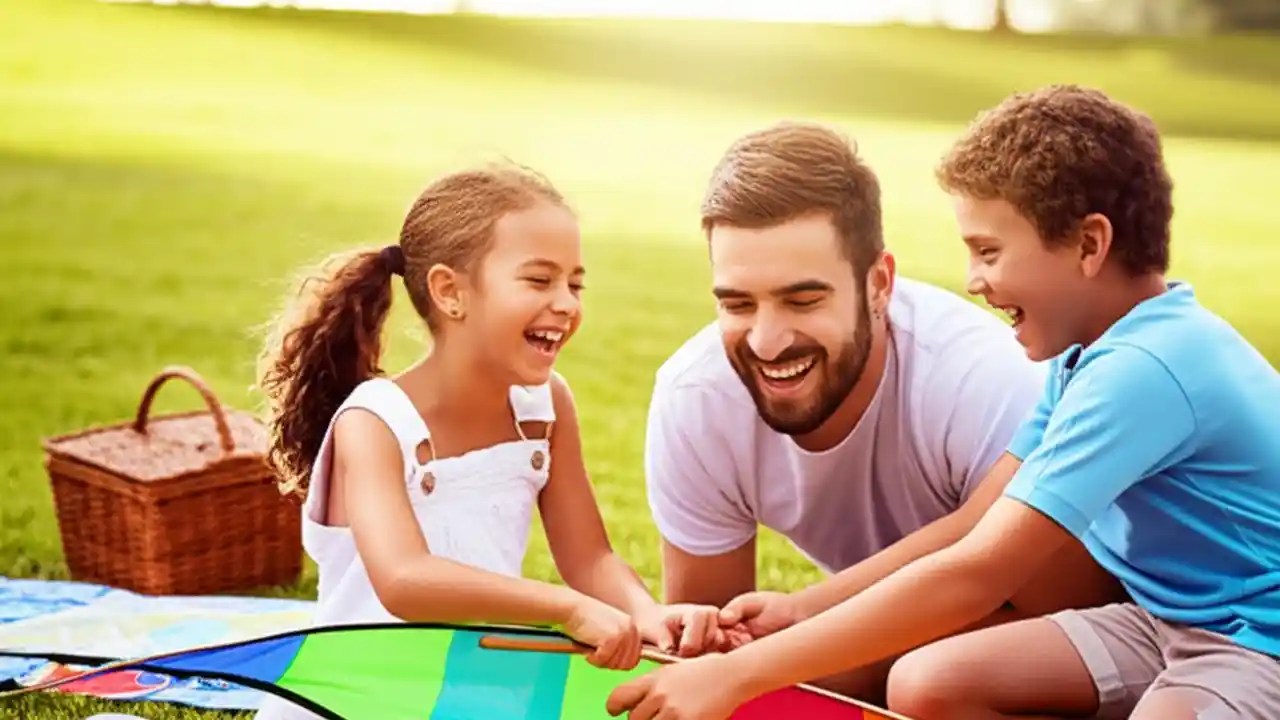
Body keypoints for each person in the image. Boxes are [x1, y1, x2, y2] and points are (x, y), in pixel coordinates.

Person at [607, 85, 1280, 720]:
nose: (973, 280)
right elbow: (973, 524)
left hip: (1254, 639)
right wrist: (803, 608)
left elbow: (980, 571)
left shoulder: (1145, 369)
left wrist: (734, 676)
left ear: (1089, 245)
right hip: (1163, 621)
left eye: (989, 251)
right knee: (927, 683)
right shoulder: (1085, 354)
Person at [643, 121, 1126, 700]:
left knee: (875, 671)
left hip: (1095, 623)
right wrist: (761, 637)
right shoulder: (697, 397)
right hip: (924, 629)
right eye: (738, 304)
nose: (767, 342)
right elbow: (718, 648)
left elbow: (1075, 600)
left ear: (879, 283)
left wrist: (815, 625)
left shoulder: (984, 375)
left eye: (803, 299)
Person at [251, 164, 721, 719]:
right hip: (357, 700)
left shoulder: (544, 408)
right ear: (451, 292)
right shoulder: (375, 423)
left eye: (575, 283)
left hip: (462, 694)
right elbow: (404, 579)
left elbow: (589, 556)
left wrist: (644, 611)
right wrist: (566, 609)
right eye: (539, 280)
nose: (567, 303)